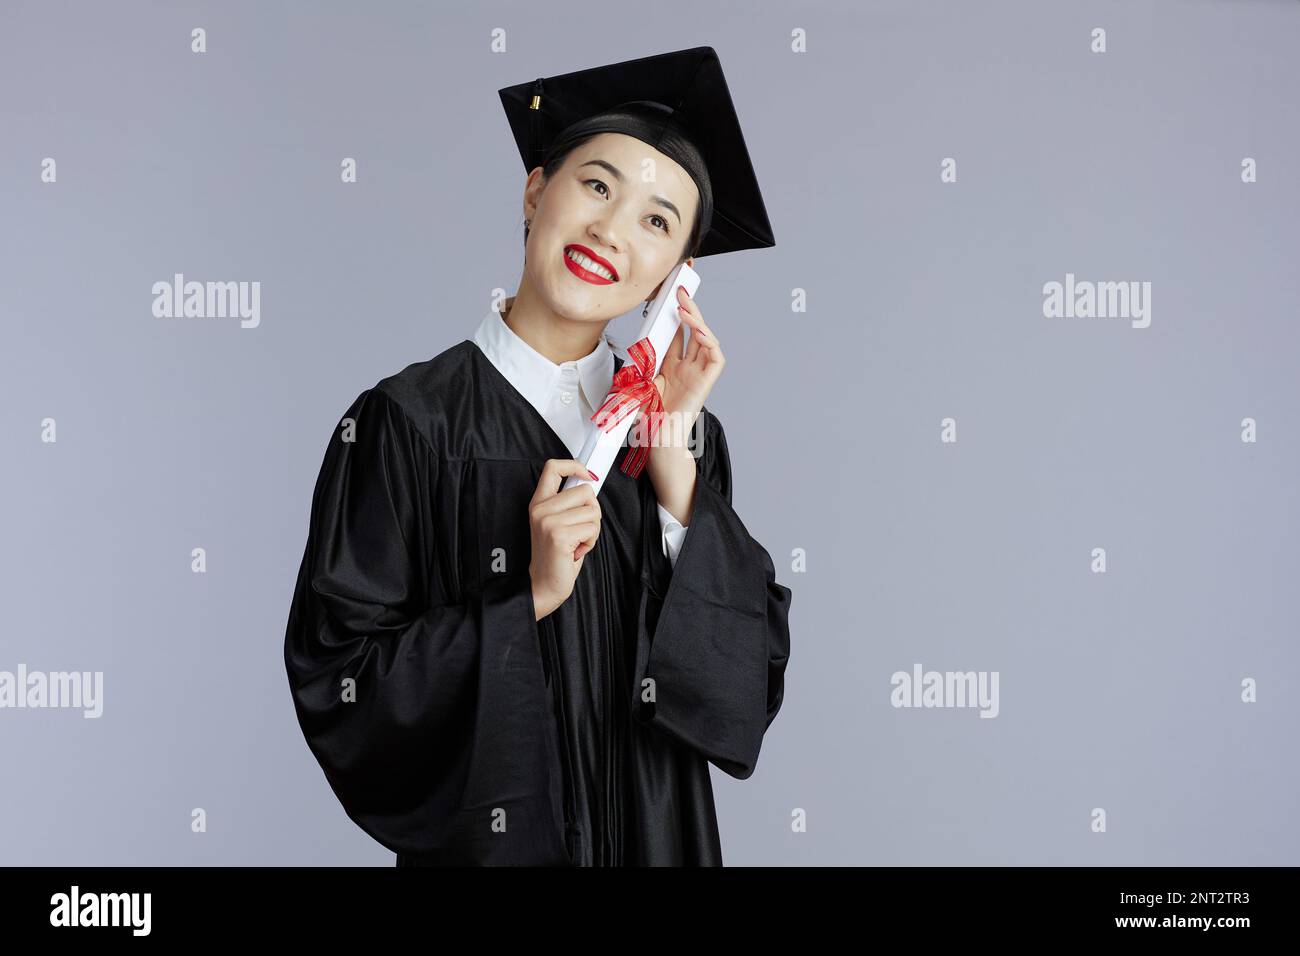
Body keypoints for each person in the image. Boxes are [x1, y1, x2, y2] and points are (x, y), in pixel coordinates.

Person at [283, 46, 792, 866]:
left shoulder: (679, 439)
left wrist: (673, 477)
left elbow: (740, 690)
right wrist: (530, 595)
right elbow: (342, 683)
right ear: (534, 190)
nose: (610, 230)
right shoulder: (408, 424)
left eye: (656, 221)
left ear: (678, 277)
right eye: (597, 185)